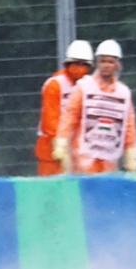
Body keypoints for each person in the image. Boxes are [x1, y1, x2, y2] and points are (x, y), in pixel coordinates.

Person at [54, 39, 136, 174]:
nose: (106, 65)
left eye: (110, 62)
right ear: (97, 63)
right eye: (103, 61)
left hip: (109, 159)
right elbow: (69, 116)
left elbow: (128, 125)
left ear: (117, 64)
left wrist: (131, 154)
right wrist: (61, 142)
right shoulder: (84, 87)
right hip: (84, 157)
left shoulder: (123, 93)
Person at [35, 40, 94, 175]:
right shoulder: (55, 85)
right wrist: (60, 147)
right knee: (50, 191)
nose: (80, 68)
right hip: (52, 150)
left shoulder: (89, 85)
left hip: (79, 149)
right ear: (68, 64)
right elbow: (50, 121)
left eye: (84, 64)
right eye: (77, 63)